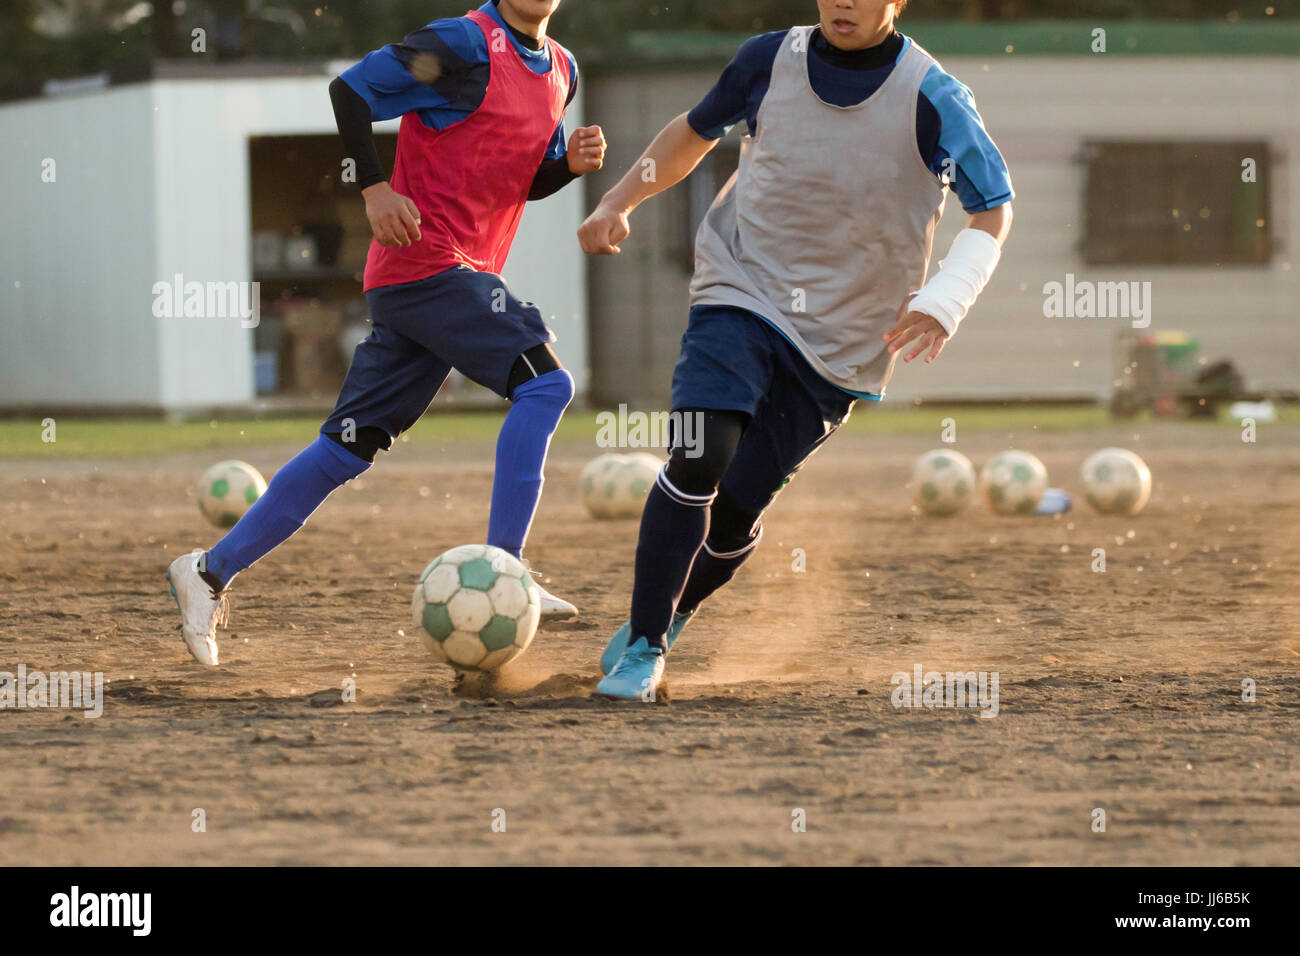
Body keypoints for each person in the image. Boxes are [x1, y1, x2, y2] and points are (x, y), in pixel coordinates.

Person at [577, 0, 1013, 699]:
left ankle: (675, 610)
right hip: (740, 287)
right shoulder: (765, 61)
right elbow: (694, 132)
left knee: (737, 507)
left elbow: (992, 208)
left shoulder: (934, 96)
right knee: (698, 451)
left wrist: (945, 297)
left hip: (843, 336)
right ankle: (644, 646)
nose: (843, 2)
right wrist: (617, 203)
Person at [168, 0, 604, 666]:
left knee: (348, 448)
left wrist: (568, 165)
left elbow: (526, 180)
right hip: (426, 266)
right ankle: (508, 569)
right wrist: (374, 189)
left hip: (432, 282)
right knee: (546, 385)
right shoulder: (462, 43)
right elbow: (350, 90)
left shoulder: (562, 70)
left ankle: (206, 572)